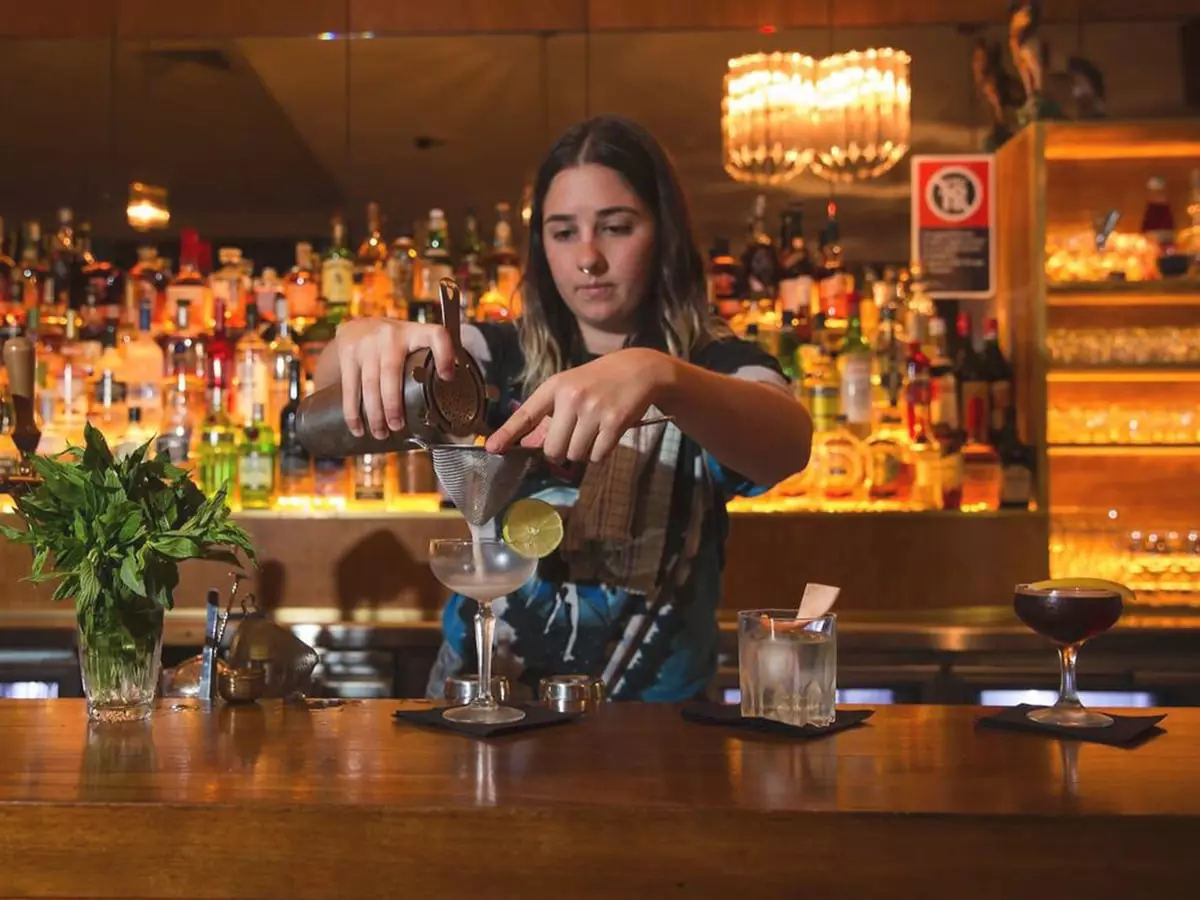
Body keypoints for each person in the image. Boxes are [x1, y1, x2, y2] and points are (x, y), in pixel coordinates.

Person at [314, 115, 813, 701]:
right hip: (486, 713)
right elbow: (325, 396)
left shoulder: (717, 365)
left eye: (617, 227)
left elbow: (789, 441)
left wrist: (663, 375)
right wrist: (356, 343)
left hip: (657, 735)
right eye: (562, 232)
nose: (588, 258)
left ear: (664, 233)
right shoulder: (493, 356)